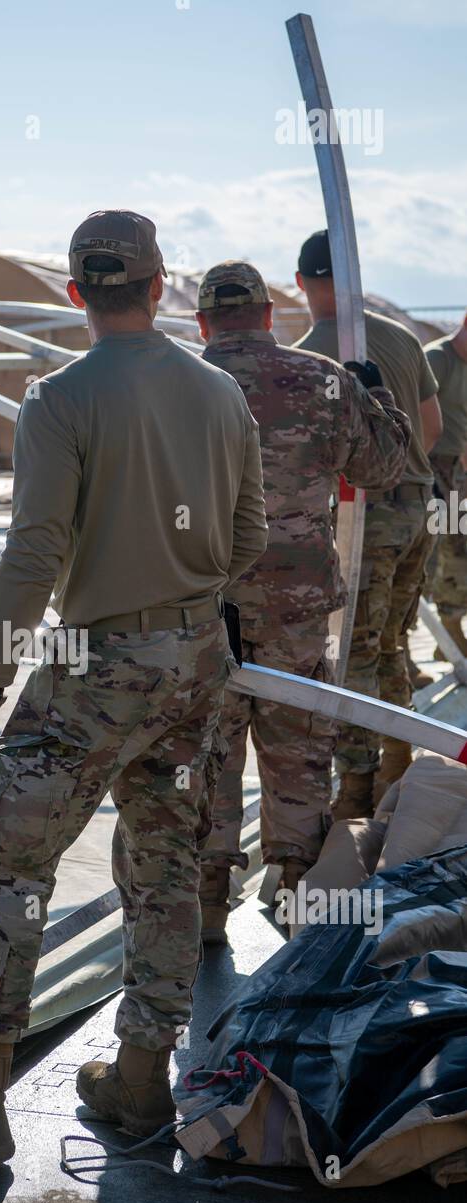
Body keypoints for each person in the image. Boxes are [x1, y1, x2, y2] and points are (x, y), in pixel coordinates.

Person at [0, 209, 268, 1167]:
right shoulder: (220, 394)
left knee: (5, 855)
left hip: (101, 665)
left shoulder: (60, 399)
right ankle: (141, 1078)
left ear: (74, 291)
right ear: (160, 284)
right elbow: (250, 536)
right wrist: (184, 588)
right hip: (198, 661)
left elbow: (33, 555)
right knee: (166, 859)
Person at [194, 261, 410, 940]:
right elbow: (383, 466)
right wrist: (377, 397)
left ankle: (206, 903)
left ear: (202, 323)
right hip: (296, 606)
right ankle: (295, 894)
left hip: (204, 610)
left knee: (208, 753)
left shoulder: (178, 383)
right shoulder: (321, 378)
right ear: (267, 315)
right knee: (298, 755)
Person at [294, 231, 442, 813]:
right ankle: (398, 764)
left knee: (353, 651)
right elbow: (429, 426)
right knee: (391, 643)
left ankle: (358, 787)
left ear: (303, 282)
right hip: (417, 507)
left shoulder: (308, 356)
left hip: (364, 516)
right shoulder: (402, 338)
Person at [425, 311, 467, 655]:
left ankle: (450, 630)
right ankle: (442, 629)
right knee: (434, 551)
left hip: (458, 469)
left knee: (459, 547)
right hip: (431, 468)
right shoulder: (437, 359)